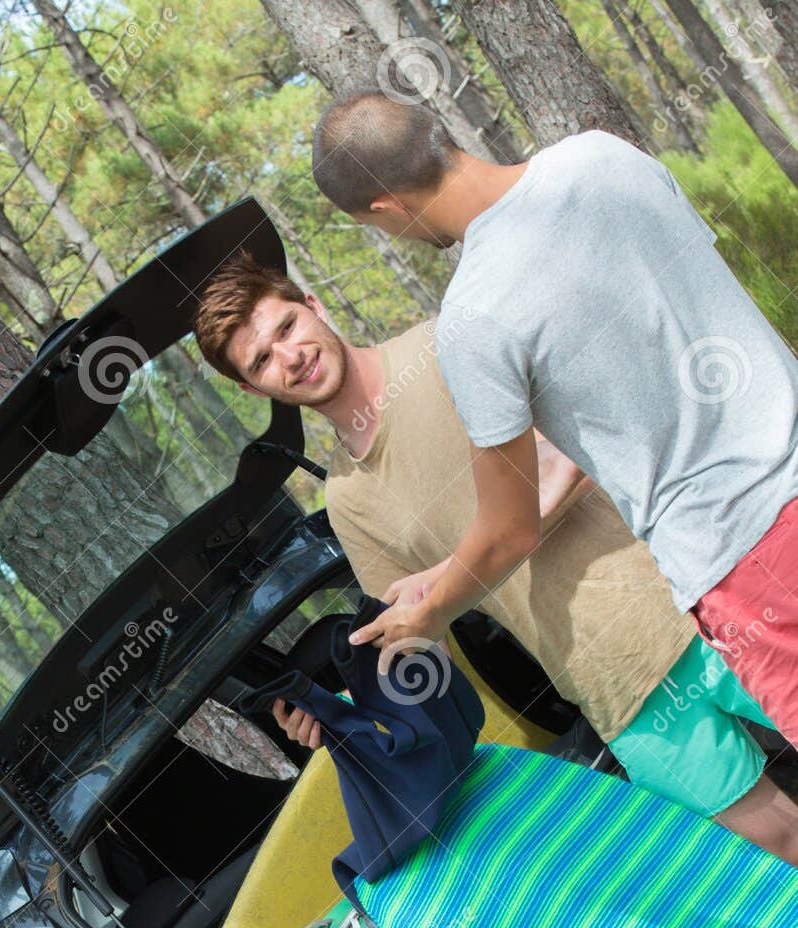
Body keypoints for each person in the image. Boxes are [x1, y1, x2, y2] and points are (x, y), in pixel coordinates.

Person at [193, 252, 798, 861]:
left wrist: (461, 566)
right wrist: (346, 717)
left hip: (699, 605)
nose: (290, 357)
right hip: (615, 689)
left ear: (314, 308)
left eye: (287, 328)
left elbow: (575, 453)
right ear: (252, 388)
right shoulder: (347, 499)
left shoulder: (442, 348)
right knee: (776, 845)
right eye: (263, 360)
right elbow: (420, 642)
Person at [307, 93, 798, 751]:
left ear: (385, 210)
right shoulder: (601, 156)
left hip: (741, 552)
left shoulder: (473, 319)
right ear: (436, 129)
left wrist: (428, 612)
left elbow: (508, 529)